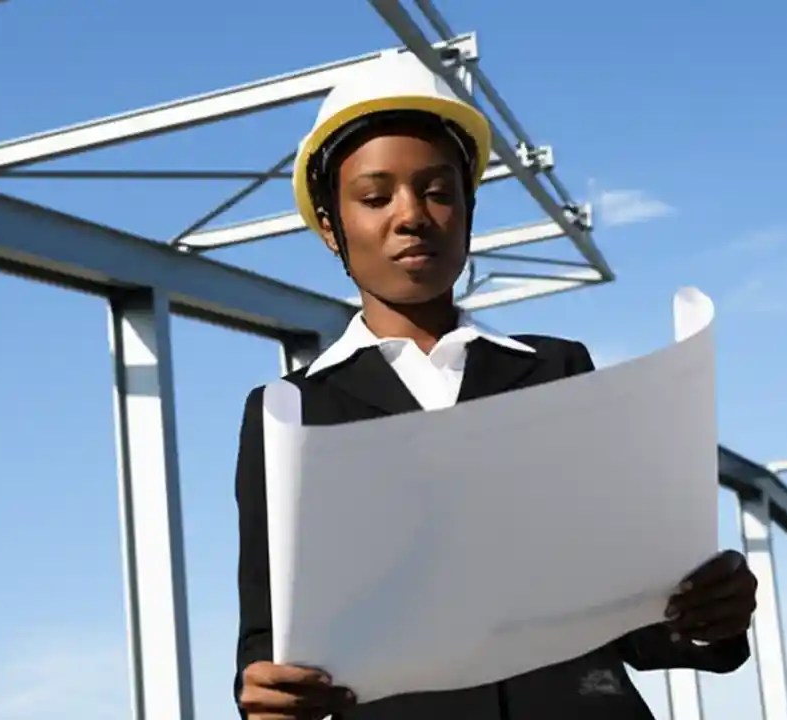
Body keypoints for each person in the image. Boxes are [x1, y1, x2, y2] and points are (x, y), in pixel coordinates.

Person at [233, 51, 759, 720]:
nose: (411, 216)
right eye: (374, 197)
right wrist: (261, 689)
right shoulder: (292, 412)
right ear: (332, 228)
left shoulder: (557, 371)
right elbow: (267, 633)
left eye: (438, 190)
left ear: (469, 209)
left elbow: (629, 615)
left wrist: (709, 612)